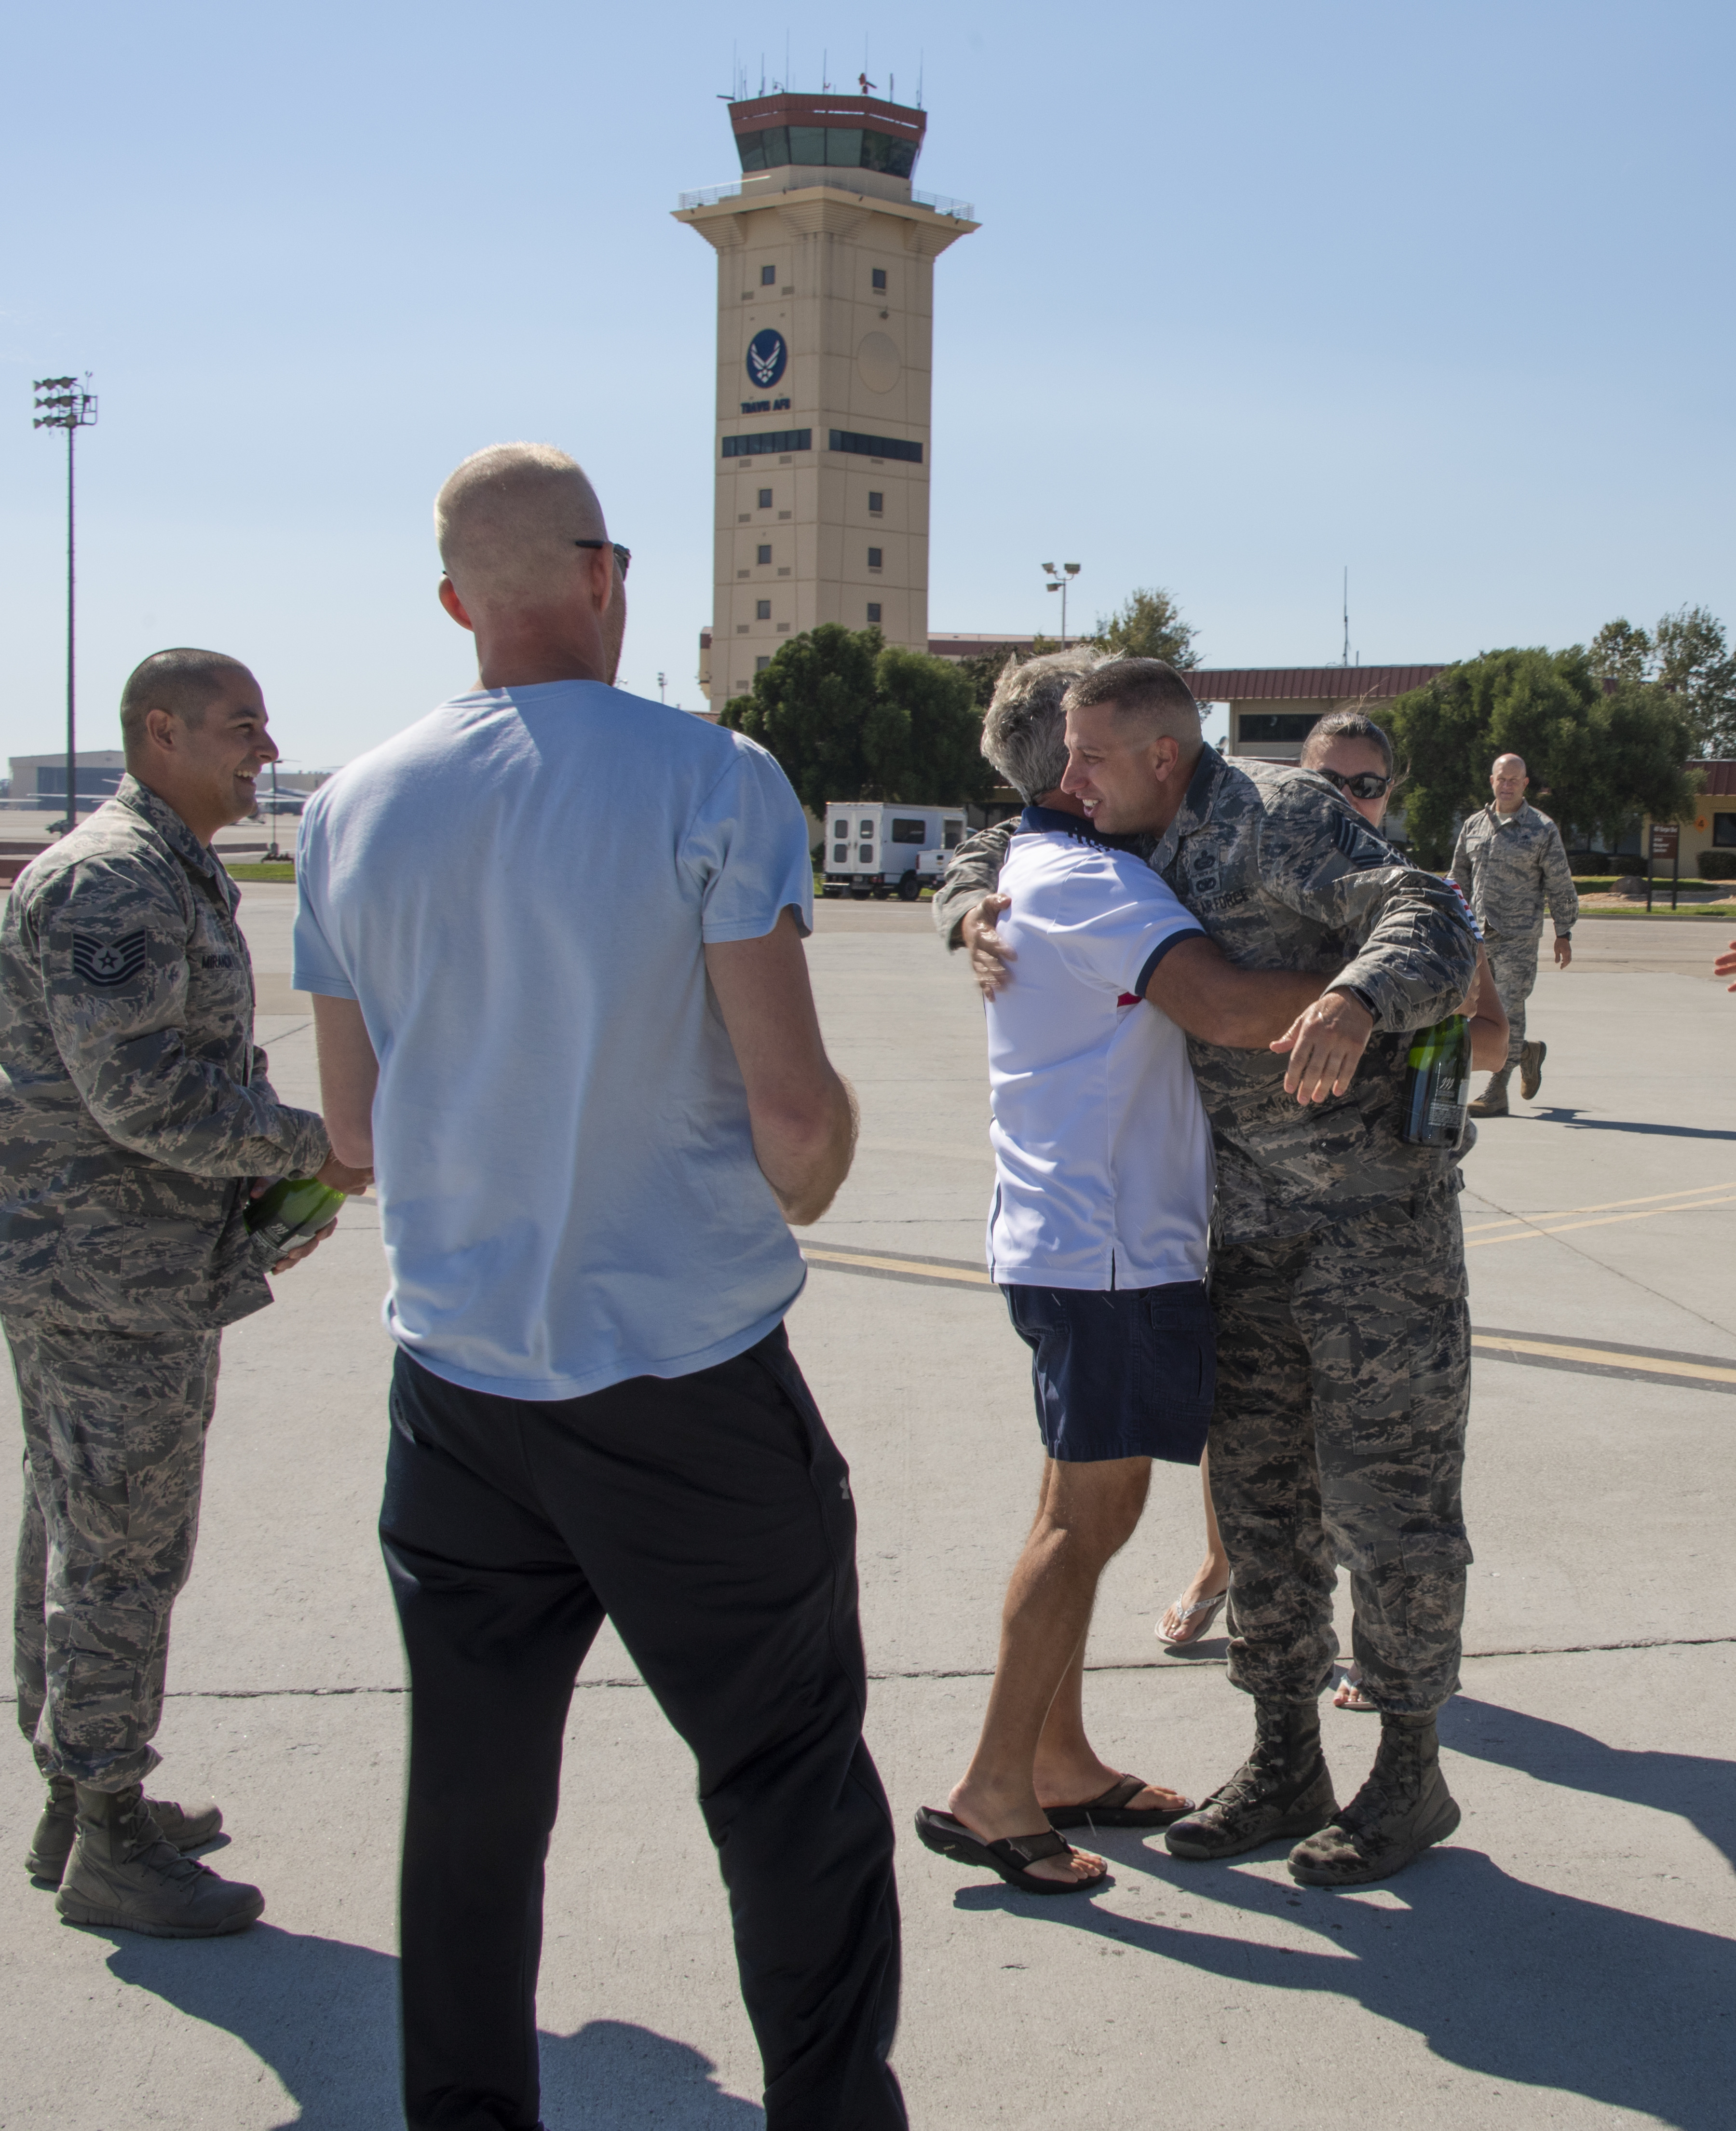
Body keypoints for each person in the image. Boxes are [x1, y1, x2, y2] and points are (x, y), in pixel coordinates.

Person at [293, 444, 905, 2131]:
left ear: (452, 602)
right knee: (785, 1785)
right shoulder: (712, 774)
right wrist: (829, 1136)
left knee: (473, 1803)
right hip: (679, 1375)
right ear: (605, 576)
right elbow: (793, 1126)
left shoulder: (349, 806)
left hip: (459, 1387)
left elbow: (348, 1132)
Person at [937, 659, 1479, 1888]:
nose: (1065, 781)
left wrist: (1352, 995)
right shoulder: (1114, 830)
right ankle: (1284, 1755)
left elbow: (1435, 921)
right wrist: (963, 907)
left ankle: (1407, 1771)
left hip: (1372, 1234)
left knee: (1388, 1505)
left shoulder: (1280, 817)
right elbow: (997, 851)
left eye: (1089, 758)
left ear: (1163, 757)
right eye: (1064, 758)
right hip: (1233, 1237)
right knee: (1260, 1503)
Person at [0, 649, 366, 1937]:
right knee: (118, 1556)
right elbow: (145, 1098)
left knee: (80, 1540)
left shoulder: (161, 861)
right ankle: (106, 1833)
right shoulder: (114, 877)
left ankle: (78, 1801)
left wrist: (253, 1206)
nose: (264, 749)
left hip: (117, 1262)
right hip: (107, 1280)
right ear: (159, 730)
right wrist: (305, 1147)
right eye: (241, 726)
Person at [1294, 711, 1507, 1712]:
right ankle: (1265, 1615)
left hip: (1396, 1220)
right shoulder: (1272, 889)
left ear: (1394, 790)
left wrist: (1417, 1016)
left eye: (1368, 784)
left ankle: (1392, 1666)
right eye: (1330, 783)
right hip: (1271, 1218)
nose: (1351, 802)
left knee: (1395, 1468)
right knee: (1275, 1457)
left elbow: (1497, 1041)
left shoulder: (1439, 900)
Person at [1451, 752, 1577, 1116]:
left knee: (1507, 1009)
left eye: (1514, 779)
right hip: (1476, 936)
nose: (1506, 785)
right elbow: (1458, 876)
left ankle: (1496, 1091)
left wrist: (1563, 931)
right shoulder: (1474, 825)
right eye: (1500, 778)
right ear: (1492, 781)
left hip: (1517, 936)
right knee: (1469, 1011)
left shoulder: (1542, 828)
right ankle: (1524, 1052)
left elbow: (1559, 882)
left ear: (1525, 784)